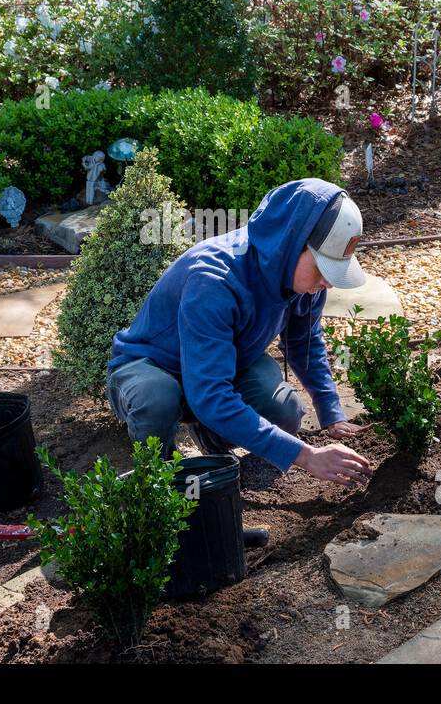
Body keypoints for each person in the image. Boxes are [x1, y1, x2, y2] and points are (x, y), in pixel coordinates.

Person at [107, 179, 374, 486]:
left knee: (284, 409)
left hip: (223, 360)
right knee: (157, 399)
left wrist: (332, 413)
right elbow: (209, 394)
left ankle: (214, 441)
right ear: (292, 244)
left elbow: (304, 341)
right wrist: (306, 456)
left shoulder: (303, 281)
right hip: (152, 364)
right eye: (323, 269)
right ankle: (163, 485)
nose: (328, 281)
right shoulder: (214, 280)